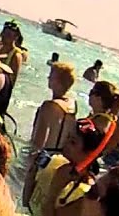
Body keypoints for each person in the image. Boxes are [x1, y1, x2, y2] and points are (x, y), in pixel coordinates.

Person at [28, 116, 114, 216]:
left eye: (73, 142)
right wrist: (33, 170)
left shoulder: (87, 194)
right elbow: (27, 202)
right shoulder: (56, 163)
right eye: (68, 137)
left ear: (90, 154)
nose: (65, 143)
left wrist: (55, 189)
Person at [21, 62, 79, 204]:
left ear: (58, 81)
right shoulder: (72, 105)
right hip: (60, 160)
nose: (48, 78)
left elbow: (37, 143)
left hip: (45, 159)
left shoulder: (49, 106)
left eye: (51, 76)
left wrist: (28, 165)